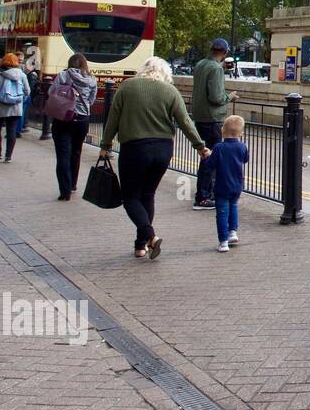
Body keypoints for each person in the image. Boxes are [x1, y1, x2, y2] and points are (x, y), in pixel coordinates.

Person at [98, 56, 210, 259]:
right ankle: (141, 246)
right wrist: (200, 147)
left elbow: (113, 118)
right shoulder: (170, 91)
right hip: (162, 150)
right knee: (147, 195)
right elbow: (185, 121)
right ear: (165, 72)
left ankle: (150, 236)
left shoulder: (127, 87)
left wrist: (105, 146)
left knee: (130, 197)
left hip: (134, 148)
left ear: (143, 69)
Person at [190, 38, 238, 210]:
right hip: (213, 119)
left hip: (200, 117)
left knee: (205, 155)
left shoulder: (201, 64)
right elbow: (216, 97)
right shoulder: (216, 68)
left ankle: (203, 194)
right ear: (225, 53)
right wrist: (230, 97)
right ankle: (203, 197)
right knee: (212, 159)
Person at [49, 53, 98, 200]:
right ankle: (73, 184)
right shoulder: (91, 79)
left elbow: (51, 92)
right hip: (82, 119)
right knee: (76, 152)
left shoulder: (63, 76)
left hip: (63, 118)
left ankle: (65, 191)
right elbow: (91, 100)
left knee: (63, 154)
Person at [211, 114, 248, 253]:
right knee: (233, 207)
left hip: (222, 186)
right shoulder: (242, 147)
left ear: (222, 131)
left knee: (221, 213)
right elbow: (245, 159)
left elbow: (210, 165)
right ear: (241, 134)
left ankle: (223, 242)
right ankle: (233, 232)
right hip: (237, 186)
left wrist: (207, 156)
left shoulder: (219, 148)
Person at [0, 53, 28, 163]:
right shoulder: (22, 75)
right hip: (15, 107)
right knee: (12, 130)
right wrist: (19, 99)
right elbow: (27, 91)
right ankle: (8, 156)